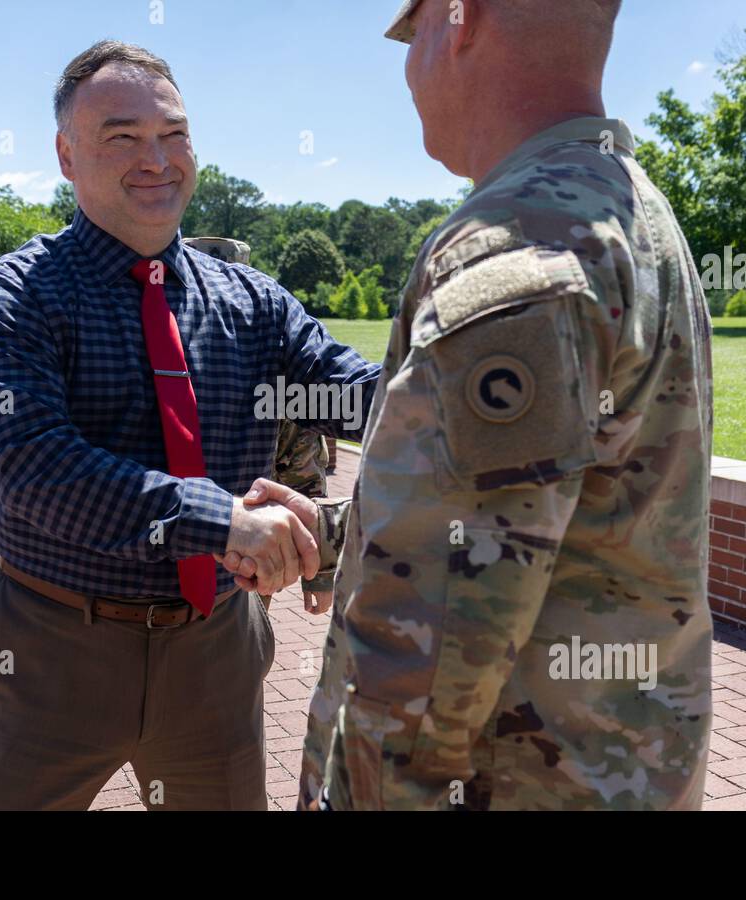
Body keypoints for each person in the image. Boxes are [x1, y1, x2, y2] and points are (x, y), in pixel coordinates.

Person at [239, 0, 715, 810]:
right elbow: (548, 506)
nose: (406, 66)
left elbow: (445, 628)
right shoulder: (622, 209)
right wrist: (340, 534)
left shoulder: (522, 239)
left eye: (408, 32)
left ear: (458, 21)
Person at [0, 40, 379, 811]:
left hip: (213, 652)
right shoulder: (16, 298)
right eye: (122, 137)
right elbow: (37, 470)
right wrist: (222, 522)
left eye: (174, 135)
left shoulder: (253, 305)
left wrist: (462, 370)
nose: (156, 159)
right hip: (50, 648)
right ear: (65, 155)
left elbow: (351, 398)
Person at [185, 236, 335, 616]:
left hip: (246, 566)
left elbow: (303, 472)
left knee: (237, 668)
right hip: (141, 567)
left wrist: (320, 574)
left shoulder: (274, 363)